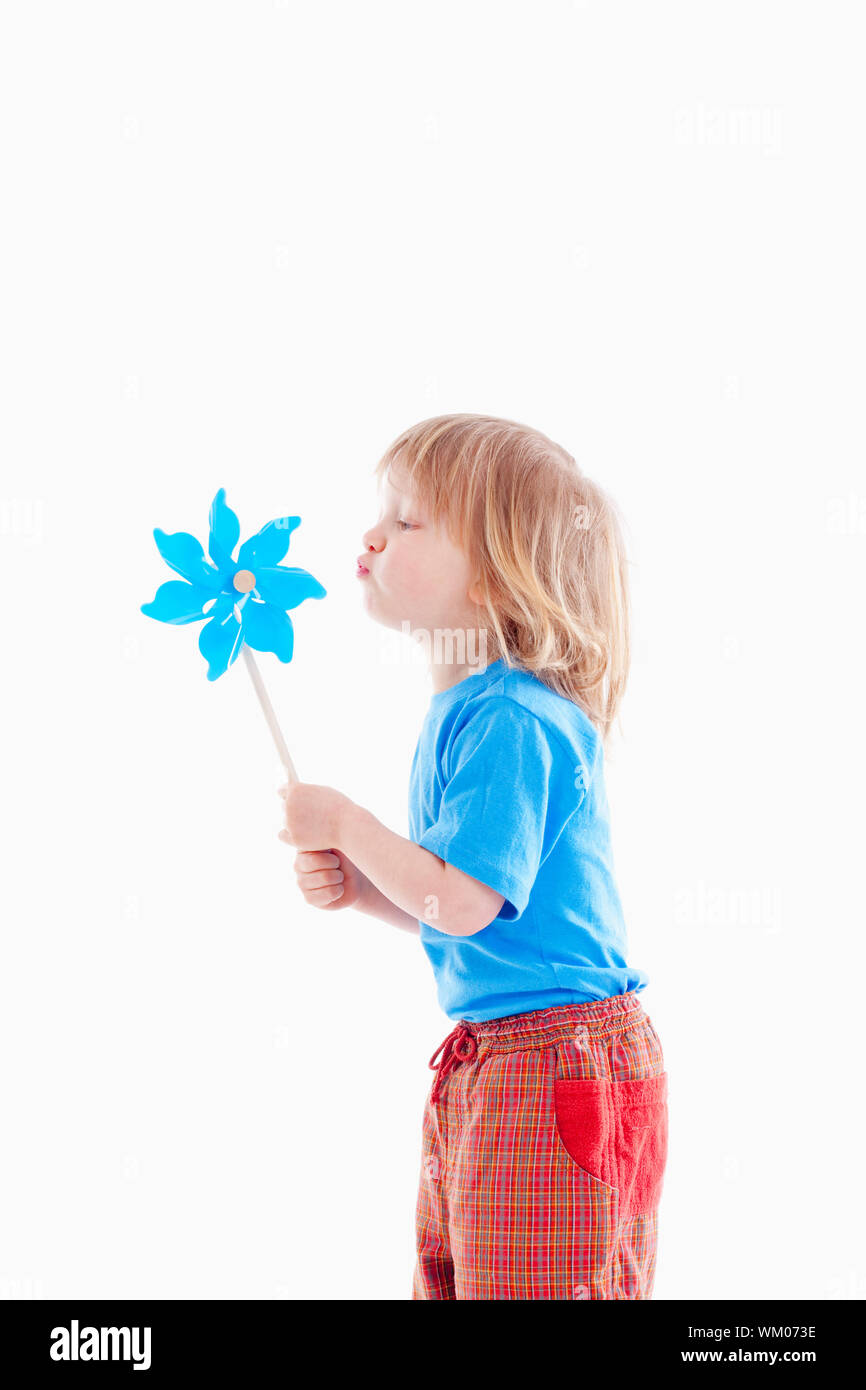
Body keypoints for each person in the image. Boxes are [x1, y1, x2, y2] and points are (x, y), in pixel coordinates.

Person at [278, 413, 668, 1300]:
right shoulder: (473, 712)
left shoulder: (511, 719)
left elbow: (461, 905)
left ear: (495, 575)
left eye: (409, 521)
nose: (373, 534)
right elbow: (473, 911)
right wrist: (365, 891)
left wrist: (348, 825)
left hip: (552, 1064)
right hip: (508, 1056)